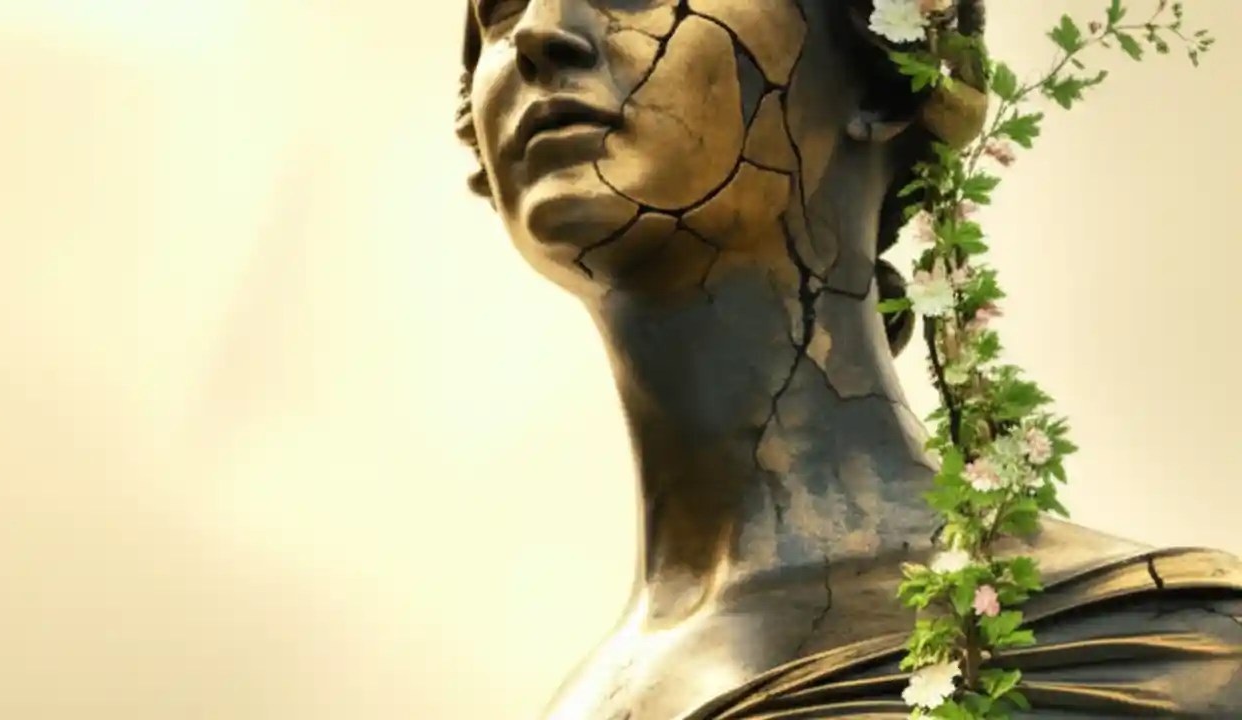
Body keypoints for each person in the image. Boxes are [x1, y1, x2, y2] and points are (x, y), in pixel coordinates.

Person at [456, 0, 1242, 717]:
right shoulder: (586, 702)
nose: (538, 31)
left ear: (885, 84)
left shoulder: (1166, 652)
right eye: (496, 9)